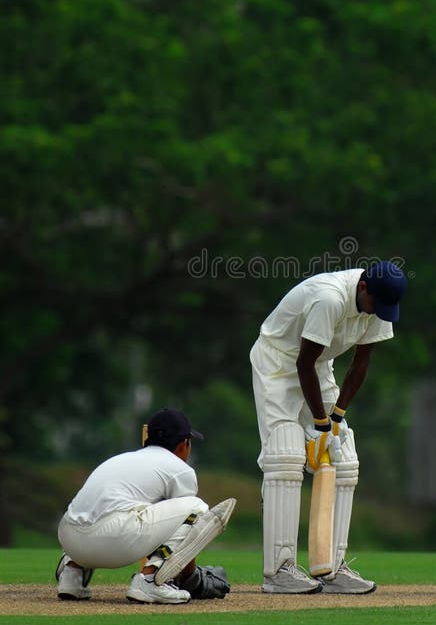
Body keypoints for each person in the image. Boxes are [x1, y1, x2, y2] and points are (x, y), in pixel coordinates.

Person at [250, 259, 407, 594]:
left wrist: (335, 417)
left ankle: (330, 568)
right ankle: (278, 570)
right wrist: (320, 423)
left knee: (344, 459)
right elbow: (302, 362)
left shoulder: (377, 306)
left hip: (319, 369)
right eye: (372, 304)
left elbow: (361, 363)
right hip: (278, 364)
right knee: (286, 457)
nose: (374, 313)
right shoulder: (329, 298)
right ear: (363, 287)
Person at [55, 408, 236, 604]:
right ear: (184, 444)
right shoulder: (181, 470)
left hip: (68, 540)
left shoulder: (118, 459)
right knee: (198, 507)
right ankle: (151, 581)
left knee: (98, 506)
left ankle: (71, 577)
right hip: (112, 540)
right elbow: (186, 526)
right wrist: (190, 577)